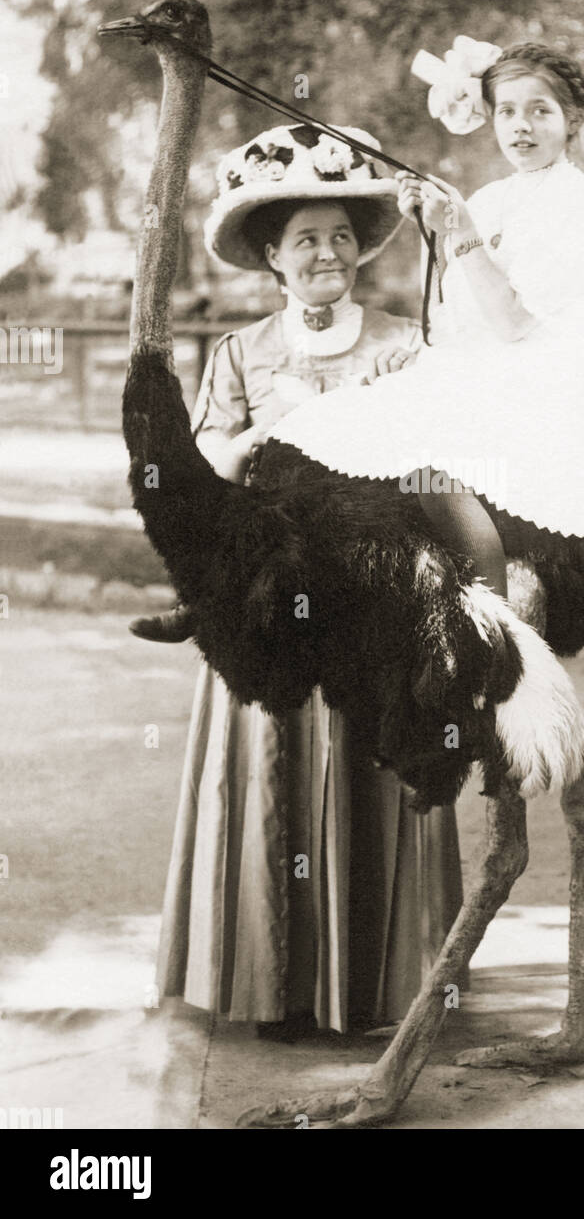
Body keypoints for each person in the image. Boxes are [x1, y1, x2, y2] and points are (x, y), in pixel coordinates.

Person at [152, 123, 464, 1033]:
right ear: (273, 259)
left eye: (338, 236)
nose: (325, 254)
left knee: (373, 753)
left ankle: (377, 983)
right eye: (303, 241)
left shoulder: (404, 346)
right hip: (268, 604)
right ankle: (274, 983)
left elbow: (426, 460)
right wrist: (262, 437)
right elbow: (212, 465)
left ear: (360, 247)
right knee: (273, 758)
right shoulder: (241, 354)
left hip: (371, 597)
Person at [267, 43, 584, 718]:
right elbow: (453, 320)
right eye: (507, 112)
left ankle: (486, 622)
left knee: (427, 462)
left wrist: (461, 234)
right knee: (312, 430)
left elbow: (517, 324)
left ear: (573, 118)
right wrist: (436, 234)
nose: (521, 126)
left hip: (546, 377)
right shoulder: (490, 198)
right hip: (480, 368)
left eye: (540, 111)